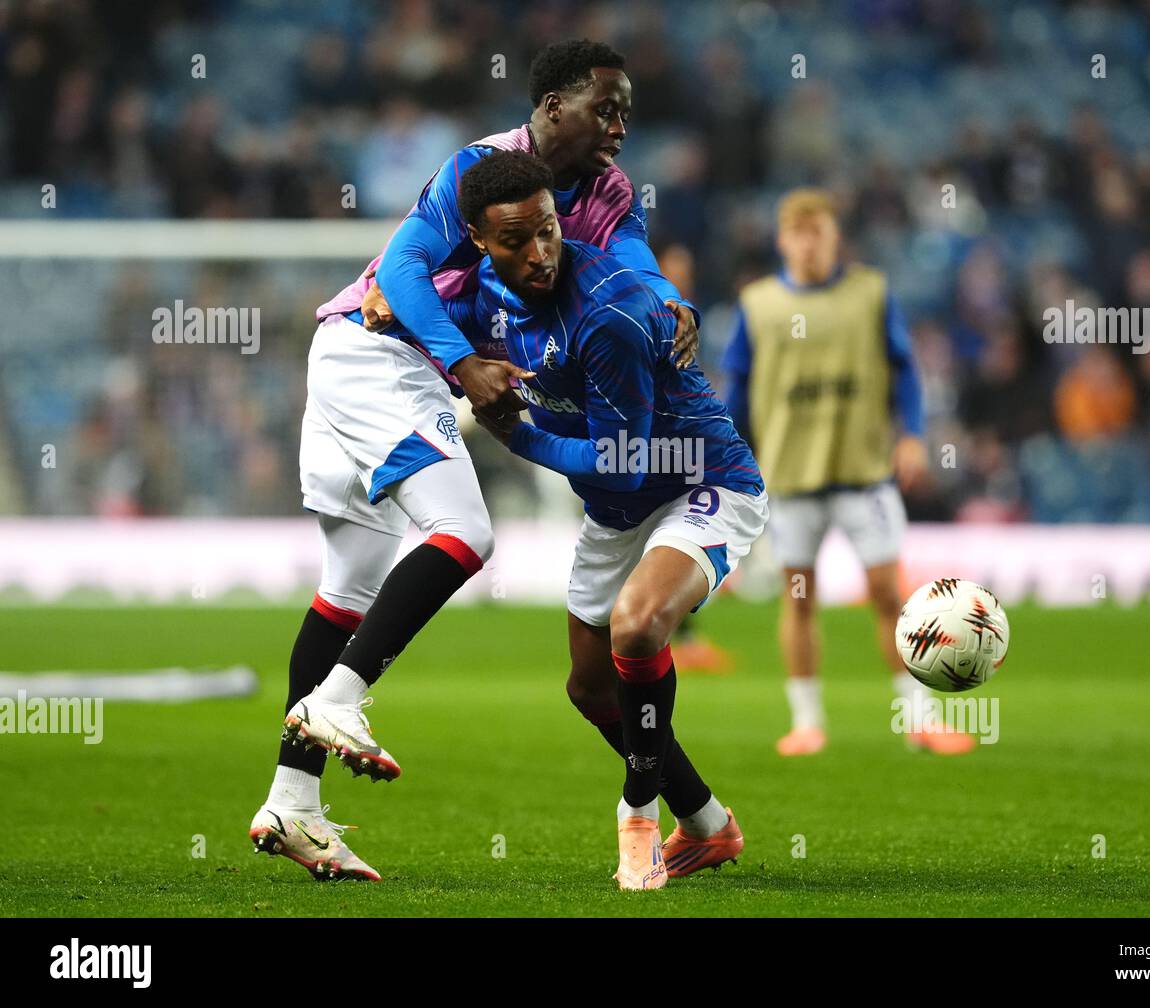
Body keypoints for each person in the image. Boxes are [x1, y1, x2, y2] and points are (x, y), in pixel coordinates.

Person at [248, 40, 700, 882]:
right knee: (464, 531)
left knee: (352, 581)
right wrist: (464, 365)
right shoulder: (482, 169)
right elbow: (404, 270)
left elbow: (632, 255)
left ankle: (293, 802)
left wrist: (671, 300)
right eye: (607, 107)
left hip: (365, 360)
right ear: (555, 106)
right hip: (378, 356)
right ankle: (340, 702)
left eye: (628, 109)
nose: (621, 124)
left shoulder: (604, 190)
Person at [446, 150, 768, 889]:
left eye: (549, 231)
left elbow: (621, 459)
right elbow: (420, 305)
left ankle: (638, 818)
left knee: (637, 625)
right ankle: (710, 827)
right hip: (617, 509)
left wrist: (516, 433)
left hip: (701, 481)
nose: (538, 253)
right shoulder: (482, 290)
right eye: (516, 240)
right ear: (480, 241)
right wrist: (382, 307)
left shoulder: (610, 311)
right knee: (590, 690)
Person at [723, 188, 973, 757]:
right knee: (800, 596)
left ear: (835, 237)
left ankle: (919, 716)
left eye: (820, 232)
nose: (809, 244)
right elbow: (736, 391)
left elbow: (905, 370)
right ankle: (807, 721)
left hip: (864, 474)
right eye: (799, 233)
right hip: (790, 479)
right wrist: (731, 459)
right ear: (783, 239)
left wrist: (910, 434)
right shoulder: (758, 304)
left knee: (888, 594)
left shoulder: (870, 294)